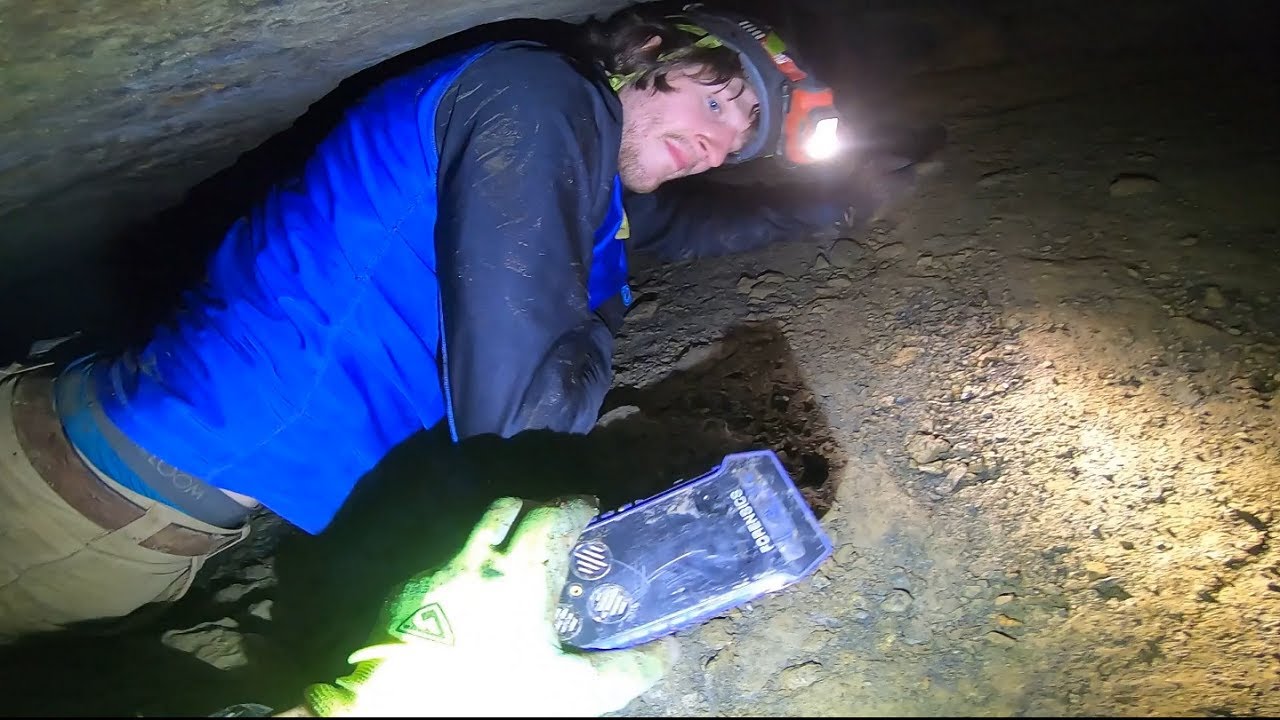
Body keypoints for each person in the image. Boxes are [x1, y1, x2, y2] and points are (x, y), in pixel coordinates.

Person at [0, 1, 930, 644]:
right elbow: (519, 401)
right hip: (82, 498)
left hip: (135, 493)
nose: (722, 140)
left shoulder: (573, 155)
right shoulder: (538, 101)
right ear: (645, 53)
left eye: (743, 140)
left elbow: (680, 225)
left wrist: (840, 202)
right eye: (718, 98)